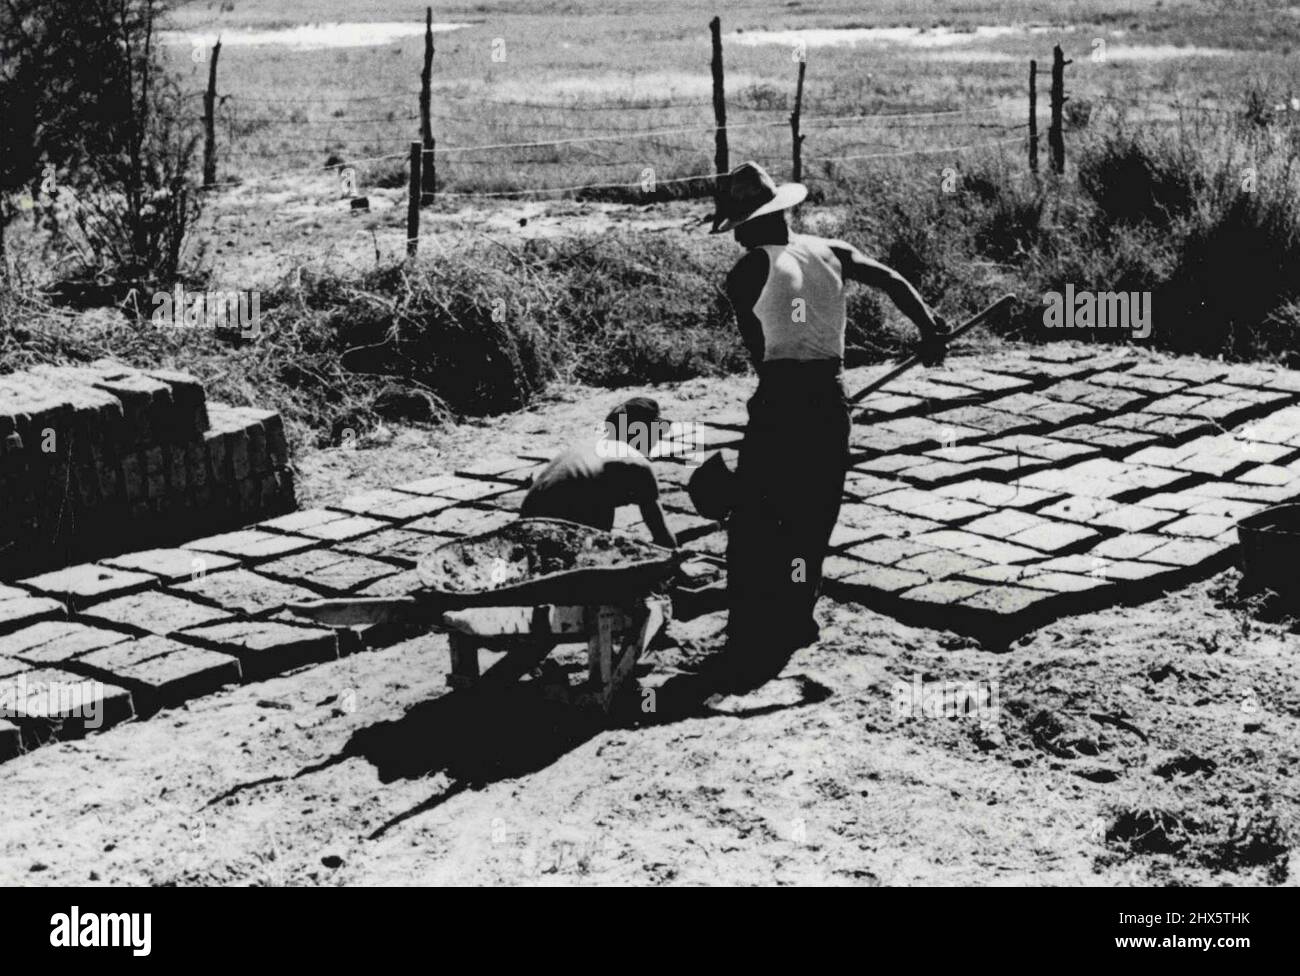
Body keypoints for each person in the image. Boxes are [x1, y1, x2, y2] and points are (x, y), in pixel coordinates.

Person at [714, 161, 948, 684]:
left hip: (780, 399)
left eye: (738, 227)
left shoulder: (748, 270)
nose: (736, 238)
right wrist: (929, 327)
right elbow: (889, 279)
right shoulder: (833, 252)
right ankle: (798, 616)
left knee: (758, 510)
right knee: (813, 510)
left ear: (753, 223)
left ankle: (750, 623)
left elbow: (760, 350)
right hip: (830, 398)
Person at [520, 397, 678, 548]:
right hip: (561, 527)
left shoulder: (586, 445)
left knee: (598, 495)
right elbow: (664, 538)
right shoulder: (636, 462)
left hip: (525, 523)